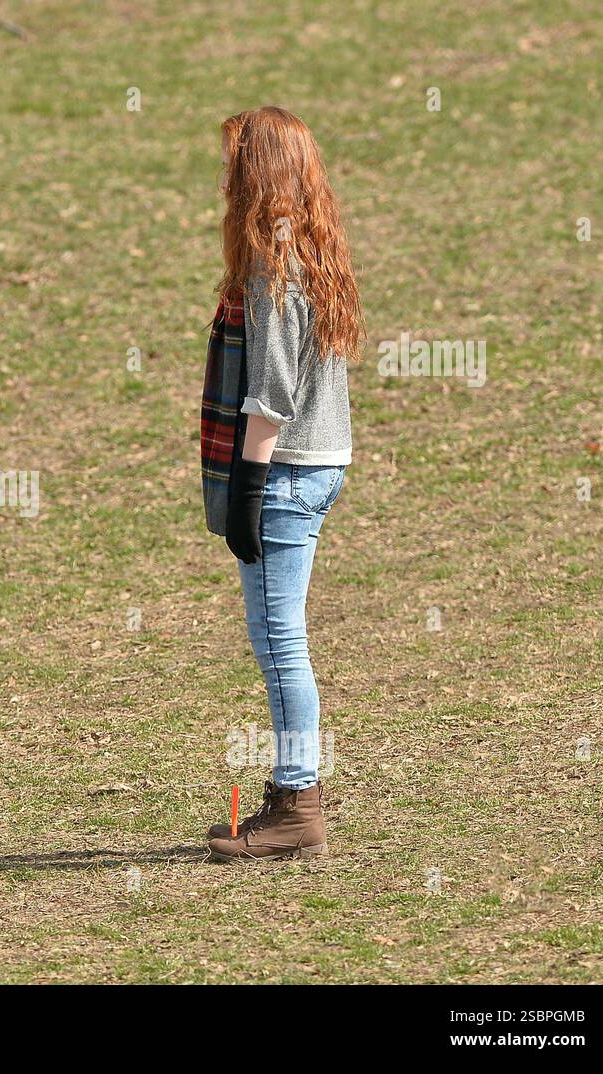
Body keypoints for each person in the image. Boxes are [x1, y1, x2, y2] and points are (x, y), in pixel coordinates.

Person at [200, 108, 364, 861]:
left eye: (234, 161)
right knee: (283, 639)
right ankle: (291, 795)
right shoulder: (316, 249)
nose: (225, 176)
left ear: (257, 171)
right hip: (320, 465)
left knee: (281, 644)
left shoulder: (275, 263)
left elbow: (268, 396)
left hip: (286, 473)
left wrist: (246, 493)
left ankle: (299, 804)